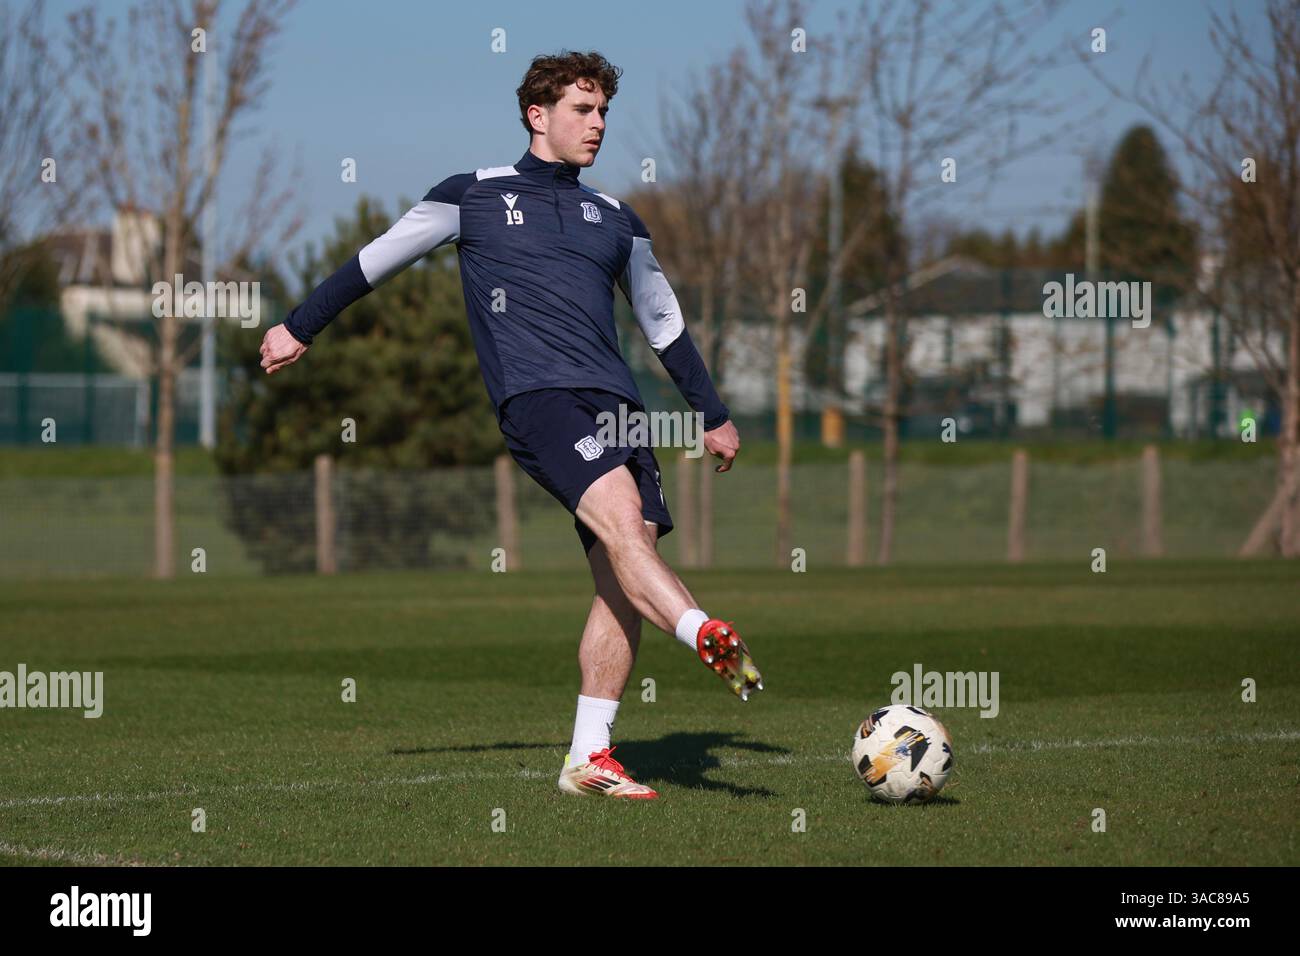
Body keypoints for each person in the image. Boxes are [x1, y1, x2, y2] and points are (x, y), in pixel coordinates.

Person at [258, 50, 762, 800]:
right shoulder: (472, 195)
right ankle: (702, 633)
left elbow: (663, 324)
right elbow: (374, 261)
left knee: (624, 573)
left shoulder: (618, 218)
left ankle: (589, 757)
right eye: (582, 111)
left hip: (619, 405)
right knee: (624, 523)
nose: (597, 126)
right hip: (539, 397)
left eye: (603, 114)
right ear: (538, 115)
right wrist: (300, 326)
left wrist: (712, 415)